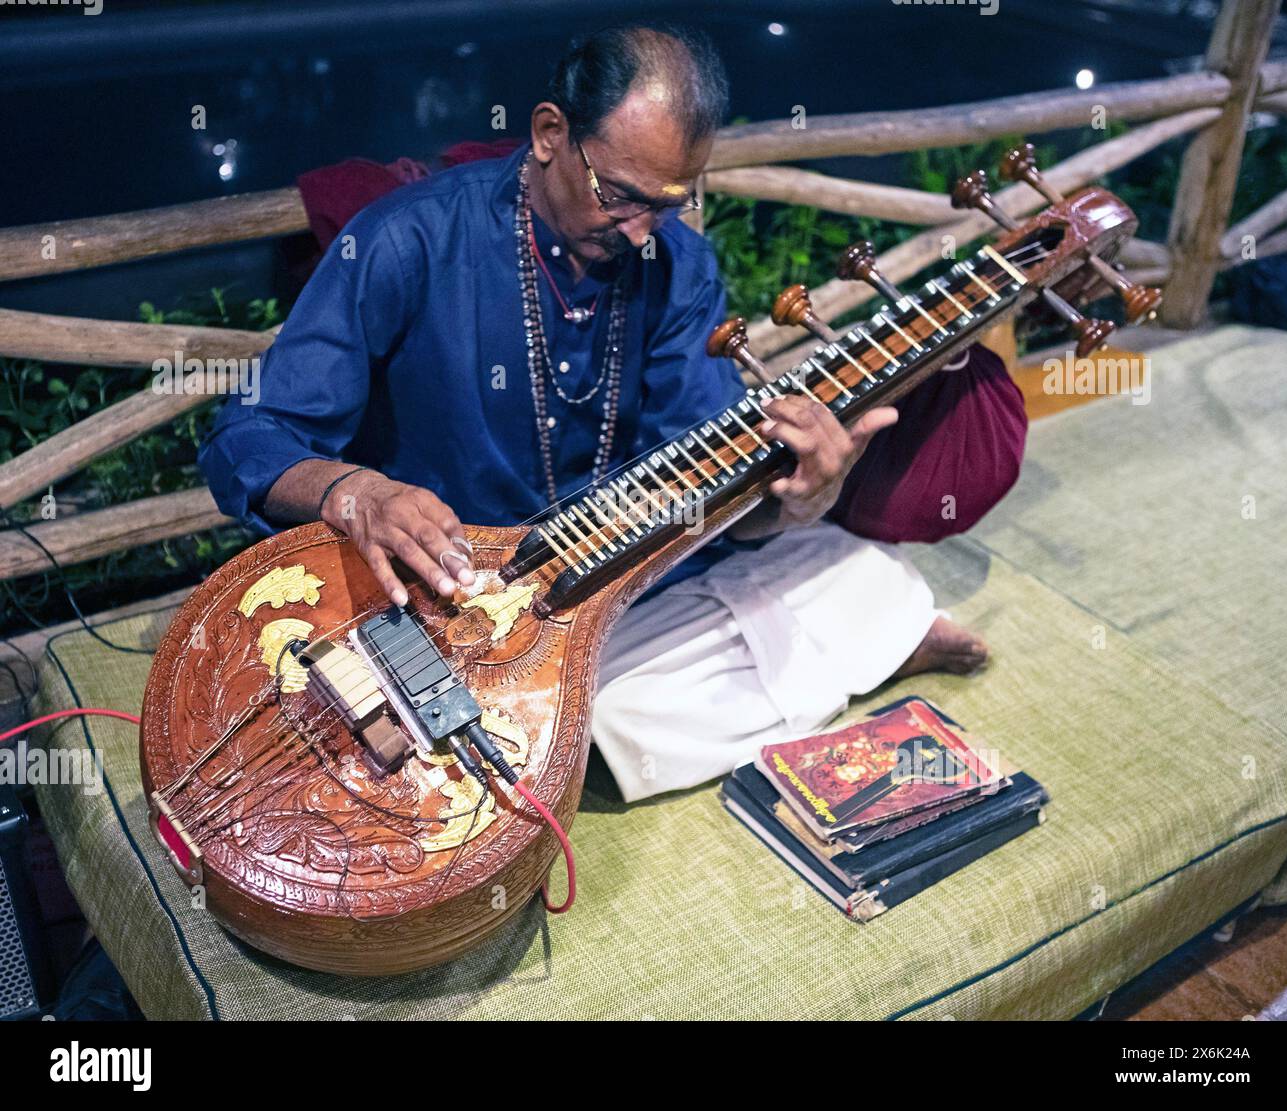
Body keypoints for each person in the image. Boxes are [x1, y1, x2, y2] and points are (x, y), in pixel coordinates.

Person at [200, 23, 988, 804]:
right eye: (621, 196)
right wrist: (358, 495)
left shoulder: (678, 268)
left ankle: (639, 710)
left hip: (614, 592)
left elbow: (699, 498)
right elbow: (249, 436)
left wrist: (791, 505)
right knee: (625, 710)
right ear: (549, 134)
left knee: (859, 569)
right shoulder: (408, 240)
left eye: (670, 203)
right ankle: (821, 669)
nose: (643, 230)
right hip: (441, 608)